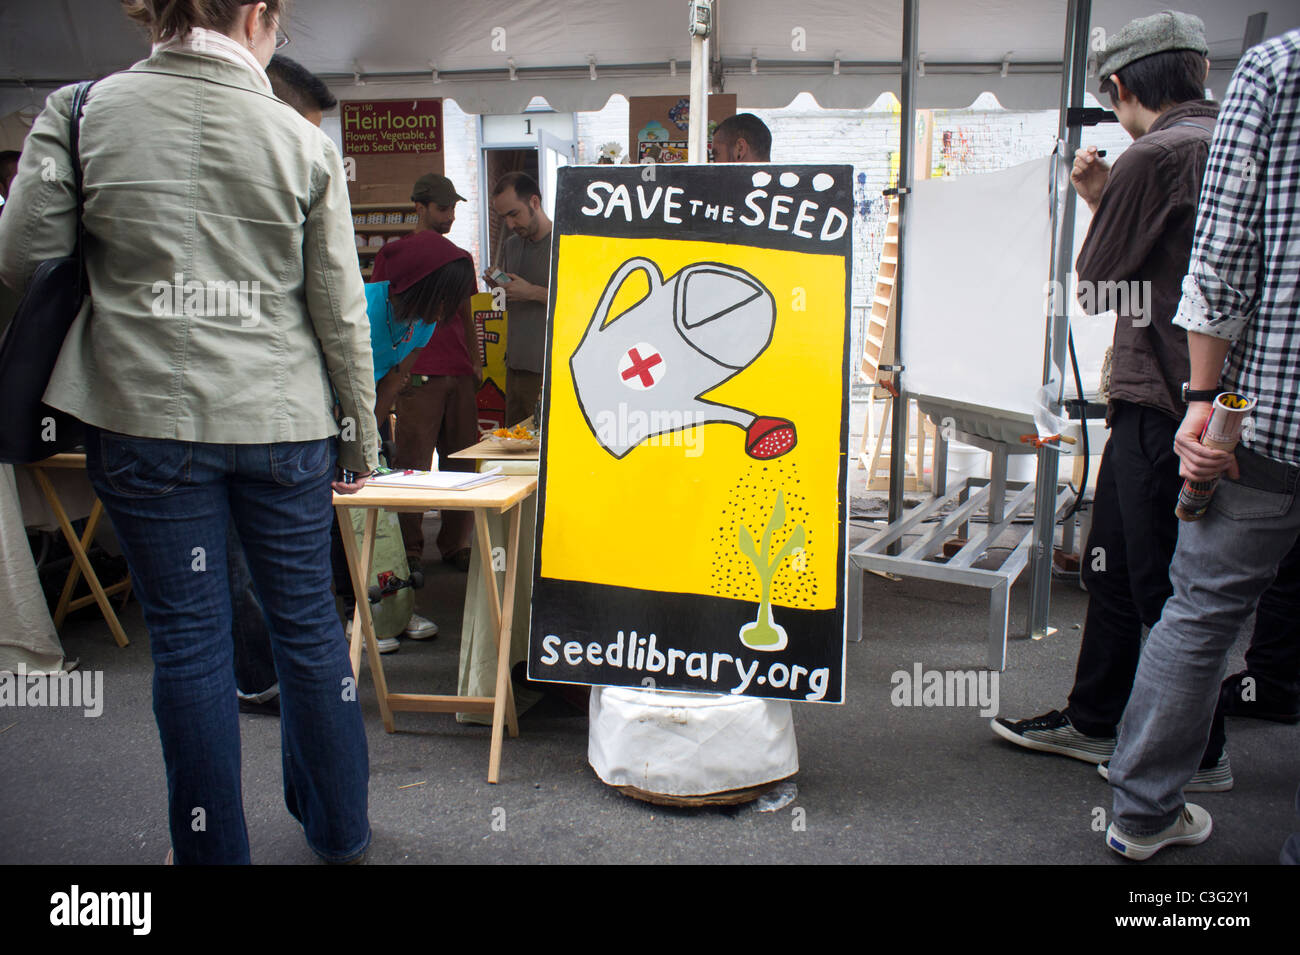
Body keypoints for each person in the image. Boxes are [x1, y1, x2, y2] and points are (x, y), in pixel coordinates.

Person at [0, 0, 379, 865]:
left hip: (142, 415)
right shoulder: (304, 143)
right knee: (310, 628)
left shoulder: (79, 109)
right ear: (255, 15)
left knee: (190, 640)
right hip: (283, 419)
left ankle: (210, 853)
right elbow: (340, 311)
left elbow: (24, 252)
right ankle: (340, 829)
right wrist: (359, 437)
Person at [991, 11, 1299, 791]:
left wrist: (1099, 193)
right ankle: (1098, 717)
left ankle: (1196, 756)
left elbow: (1096, 286)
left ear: (1120, 88)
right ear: (1200, 70)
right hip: (1216, 402)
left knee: (1168, 590)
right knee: (1127, 572)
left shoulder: (1153, 154)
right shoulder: (1233, 137)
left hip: (1166, 400)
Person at [1105, 28, 1300, 862]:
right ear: (1200, 71)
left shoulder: (1280, 66)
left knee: (1197, 606)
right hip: (1234, 408)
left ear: (1120, 85)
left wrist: (1205, 395)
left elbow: (1214, 263)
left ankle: (1144, 808)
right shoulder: (1227, 110)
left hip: (1256, 409)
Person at [377, 174, 480, 572]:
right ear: (418, 206)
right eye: (442, 208)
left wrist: (474, 363)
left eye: (453, 207)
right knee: (414, 462)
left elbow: (466, 315)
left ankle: (454, 544)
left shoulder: (459, 257)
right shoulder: (394, 254)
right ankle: (411, 547)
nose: (450, 216)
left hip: (454, 367)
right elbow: (382, 311)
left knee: (461, 461)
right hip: (415, 370)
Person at [486, 172, 551, 426]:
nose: (511, 224)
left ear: (534, 202)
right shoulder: (512, 246)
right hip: (513, 367)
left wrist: (532, 292)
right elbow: (502, 305)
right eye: (504, 218)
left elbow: (581, 304)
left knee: (540, 452)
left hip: (546, 371)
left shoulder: (563, 243)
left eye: (514, 214)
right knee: (513, 450)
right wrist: (498, 289)